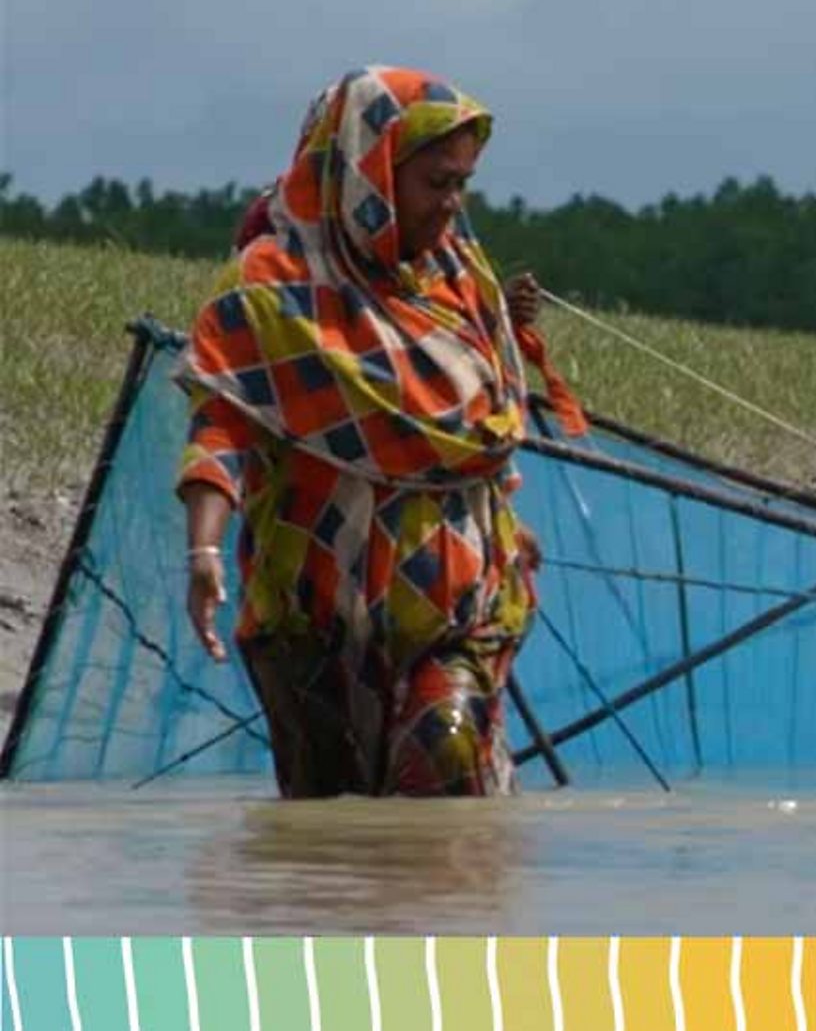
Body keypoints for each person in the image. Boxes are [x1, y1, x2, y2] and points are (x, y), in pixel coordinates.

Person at [176, 66, 583, 798]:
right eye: (435, 183)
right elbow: (220, 423)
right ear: (369, 175)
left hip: (457, 609)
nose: (451, 204)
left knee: (447, 759)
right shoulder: (270, 289)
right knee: (329, 819)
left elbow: (486, 421)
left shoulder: (461, 279)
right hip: (312, 618)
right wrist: (203, 550)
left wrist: (508, 521)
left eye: (462, 184)